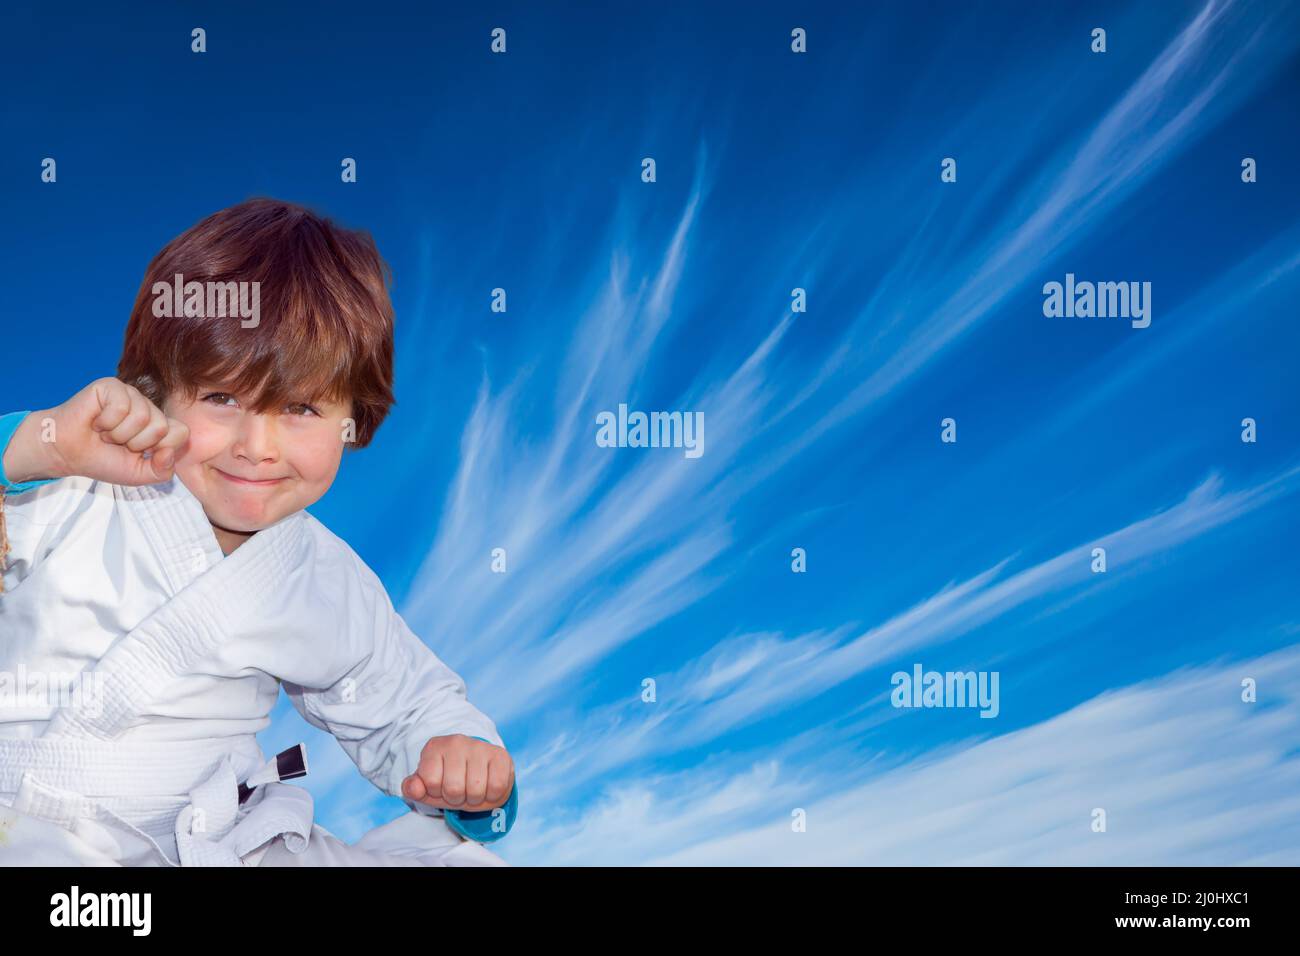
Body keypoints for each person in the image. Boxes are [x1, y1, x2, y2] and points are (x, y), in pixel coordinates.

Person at [0, 198, 518, 867]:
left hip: (212, 840)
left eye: (301, 408)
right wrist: (31, 450)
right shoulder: (71, 487)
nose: (257, 446)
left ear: (352, 420)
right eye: (222, 399)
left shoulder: (322, 578)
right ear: (155, 392)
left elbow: (404, 701)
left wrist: (460, 760)